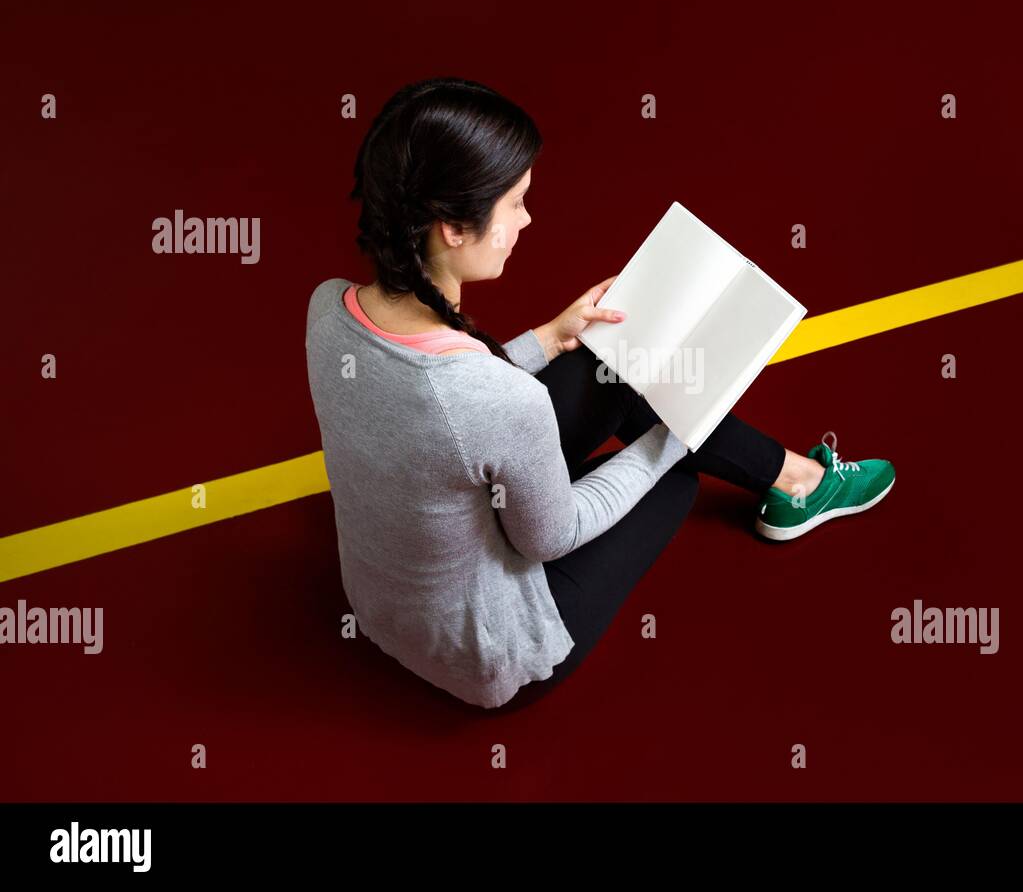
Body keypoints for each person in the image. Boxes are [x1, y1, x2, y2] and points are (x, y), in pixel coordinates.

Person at [304, 77, 895, 710]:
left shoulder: (328, 306)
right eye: (517, 202)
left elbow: (450, 404)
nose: (528, 218)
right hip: (489, 655)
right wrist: (679, 426)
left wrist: (550, 338)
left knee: (601, 362)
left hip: (379, 602)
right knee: (676, 476)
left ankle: (790, 476)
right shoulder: (496, 399)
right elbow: (550, 536)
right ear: (452, 226)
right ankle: (799, 483)